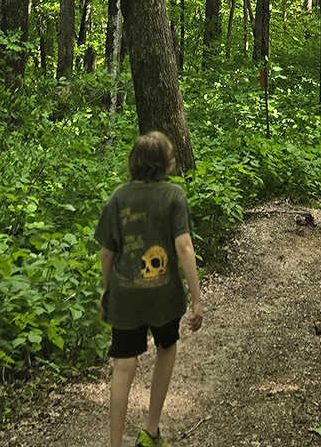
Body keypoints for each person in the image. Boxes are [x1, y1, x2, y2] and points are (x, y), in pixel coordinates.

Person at [95, 130, 203, 447]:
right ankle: (151, 431)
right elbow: (184, 247)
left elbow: (106, 252)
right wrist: (197, 299)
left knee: (123, 366)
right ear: (165, 162)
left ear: (134, 162)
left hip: (126, 295)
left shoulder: (118, 197)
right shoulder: (173, 196)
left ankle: (116, 444)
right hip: (164, 297)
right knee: (166, 348)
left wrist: (106, 289)